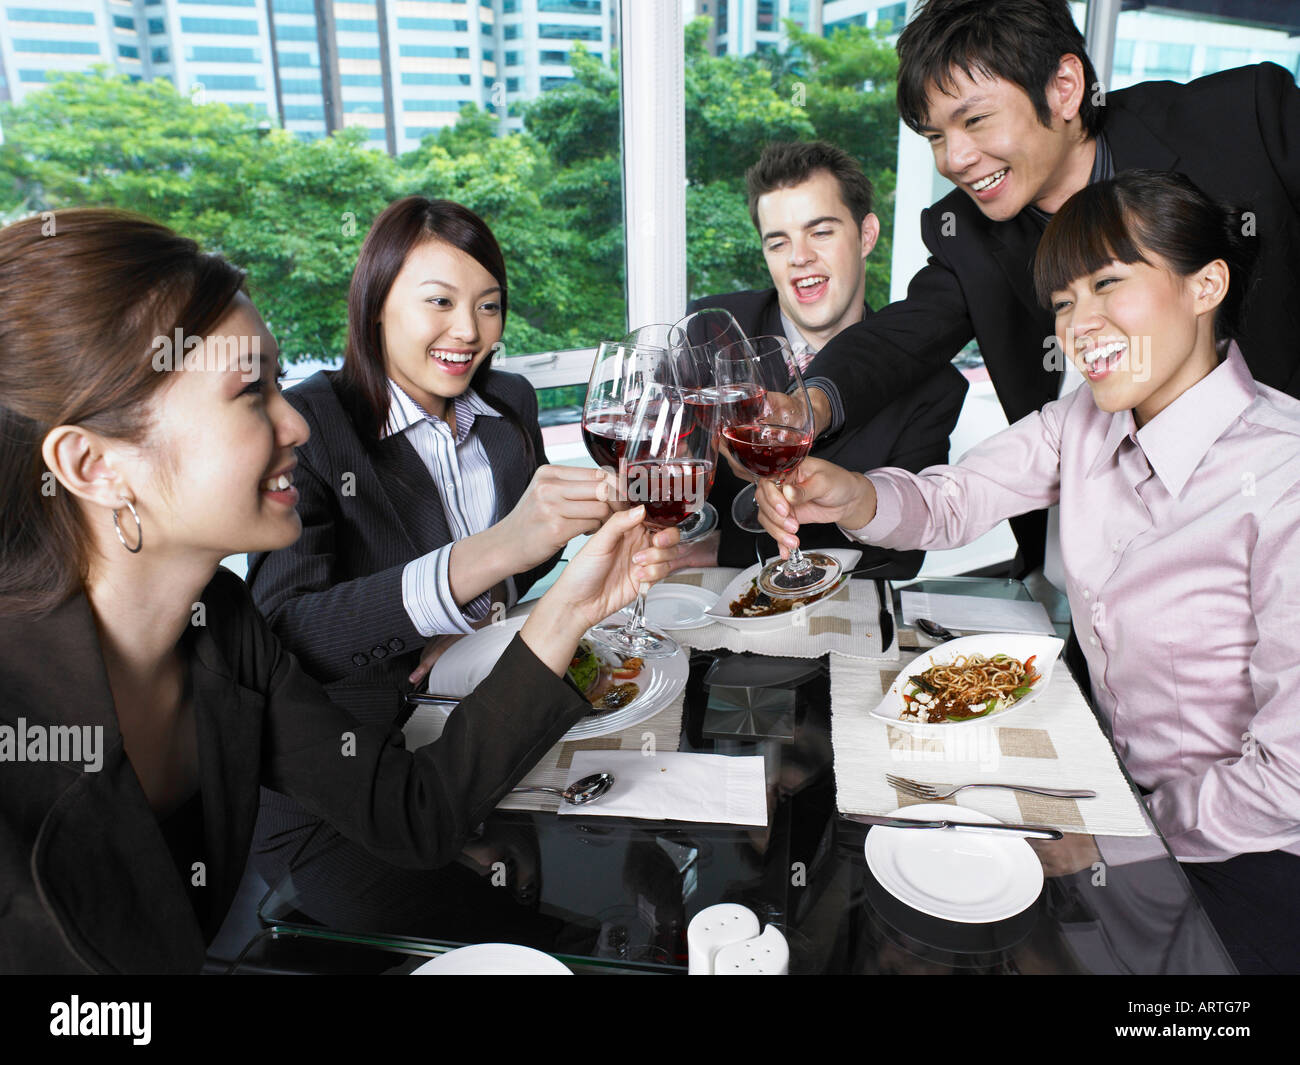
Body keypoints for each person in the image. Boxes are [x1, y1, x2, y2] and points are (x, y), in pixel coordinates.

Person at [0, 209, 678, 973]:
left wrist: (572, 605)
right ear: (92, 465)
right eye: (249, 394)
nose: (293, 422)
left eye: (278, 382)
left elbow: (415, 815)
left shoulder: (221, 629)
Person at [757, 170, 1300, 974]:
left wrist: (1115, 833)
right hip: (1109, 798)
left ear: (1206, 285)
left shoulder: (1284, 475)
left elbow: (1288, 783)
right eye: (1065, 303)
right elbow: (953, 500)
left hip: (1245, 857)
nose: (1083, 326)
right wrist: (852, 493)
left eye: (1110, 284)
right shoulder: (1086, 419)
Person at [800, 0, 1300, 574]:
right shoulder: (966, 233)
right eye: (934, 136)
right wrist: (807, 407)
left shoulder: (1245, 120)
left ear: (1064, 87)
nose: (954, 159)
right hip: (1082, 576)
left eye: (976, 120)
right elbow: (901, 340)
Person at [242, 198, 622, 930]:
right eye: (439, 302)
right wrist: (475, 567)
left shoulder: (507, 402)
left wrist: (473, 612)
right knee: (551, 943)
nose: (469, 331)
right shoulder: (313, 424)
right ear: (375, 304)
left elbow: (525, 562)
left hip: (487, 731)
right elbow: (285, 634)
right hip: (347, 797)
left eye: (489, 305)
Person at [689, 141, 967, 575]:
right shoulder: (711, 331)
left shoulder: (934, 385)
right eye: (778, 243)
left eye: (820, 232)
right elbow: (676, 493)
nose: (800, 258)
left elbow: (900, 557)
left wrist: (722, 549)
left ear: (866, 236)